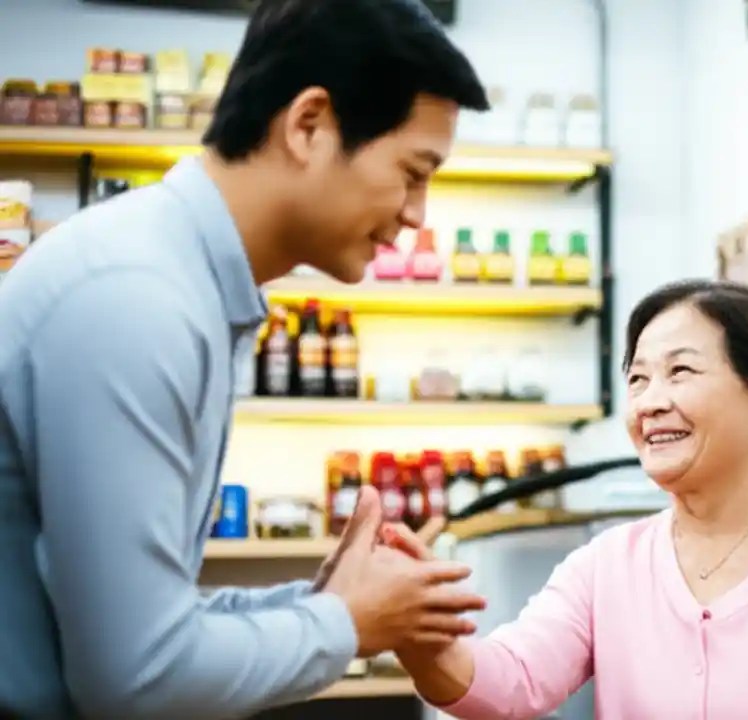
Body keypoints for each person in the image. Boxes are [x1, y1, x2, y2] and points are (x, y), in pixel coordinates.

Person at [0, 1, 490, 717]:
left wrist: (325, 604)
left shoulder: (179, 281)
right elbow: (136, 680)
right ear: (309, 125)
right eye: (414, 172)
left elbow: (143, 625)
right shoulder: (137, 298)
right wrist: (348, 623)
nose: (419, 213)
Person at [394, 279, 748, 718]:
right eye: (638, 379)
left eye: (680, 372)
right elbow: (514, 679)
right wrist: (424, 644)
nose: (650, 402)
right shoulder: (606, 565)